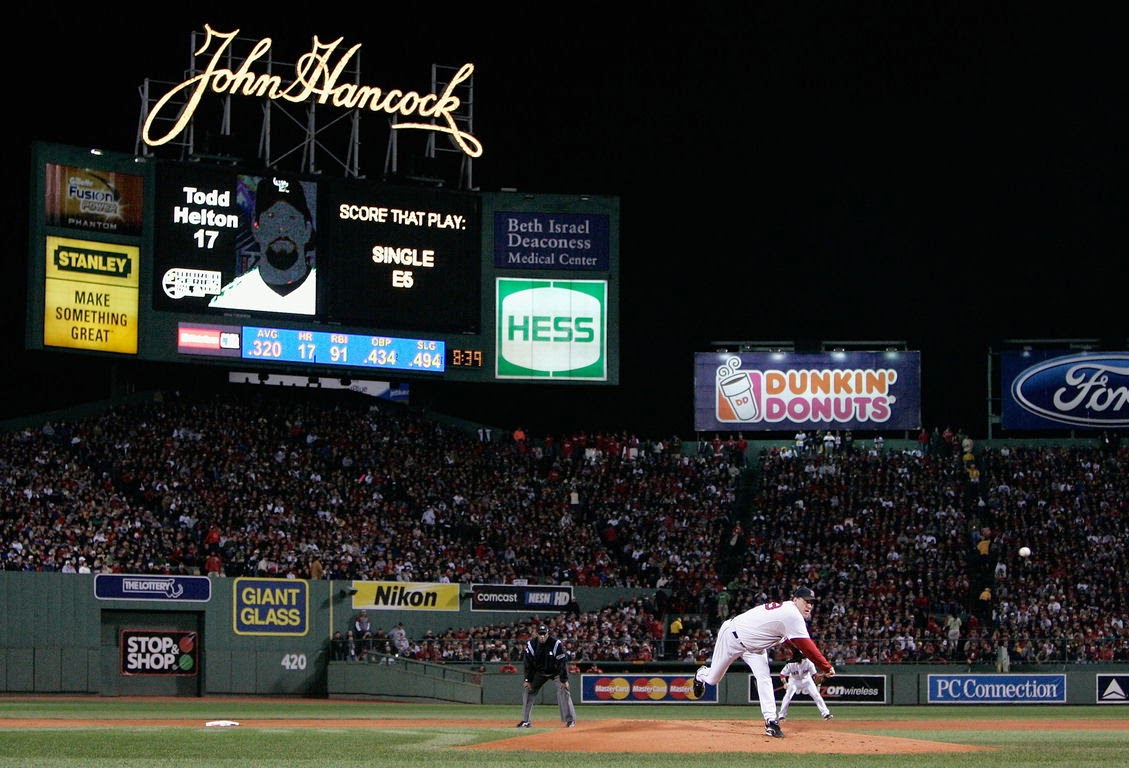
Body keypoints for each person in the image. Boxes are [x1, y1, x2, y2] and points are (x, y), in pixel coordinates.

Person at [692, 586, 835, 738]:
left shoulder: (787, 612)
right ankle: (701, 674)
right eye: (806, 601)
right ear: (795, 600)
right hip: (732, 637)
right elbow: (807, 646)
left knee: (764, 678)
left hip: (755, 649)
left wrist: (794, 652)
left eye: (812, 603)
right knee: (713, 679)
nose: (809, 605)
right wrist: (826, 667)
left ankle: (771, 722)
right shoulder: (792, 614)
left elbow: (786, 638)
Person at [209, 174, 316, 314]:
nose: (282, 227)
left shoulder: (326, 291)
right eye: (272, 217)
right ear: (256, 228)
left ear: (307, 230)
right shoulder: (230, 298)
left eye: (291, 217)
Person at [516, 624, 576, 728]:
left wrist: (564, 680)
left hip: (556, 672)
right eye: (540, 634)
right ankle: (526, 720)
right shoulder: (532, 644)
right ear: (537, 634)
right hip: (539, 672)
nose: (542, 636)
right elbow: (528, 663)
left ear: (548, 634)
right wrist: (527, 679)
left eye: (544, 634)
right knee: (528, 690)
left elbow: (562, 662)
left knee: (564, 690)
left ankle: (570, 720)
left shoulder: (556, 643)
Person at [777, 650, 833, 720]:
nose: (796, 660)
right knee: (788, 696)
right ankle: (781, 715)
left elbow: (815, 675)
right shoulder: (790, 664)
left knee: (816, 695)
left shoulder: (809, 663)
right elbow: (782, 675)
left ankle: (826, 714)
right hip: (793, 680)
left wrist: (823, 675)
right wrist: (785, 683)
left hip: (807, 680)